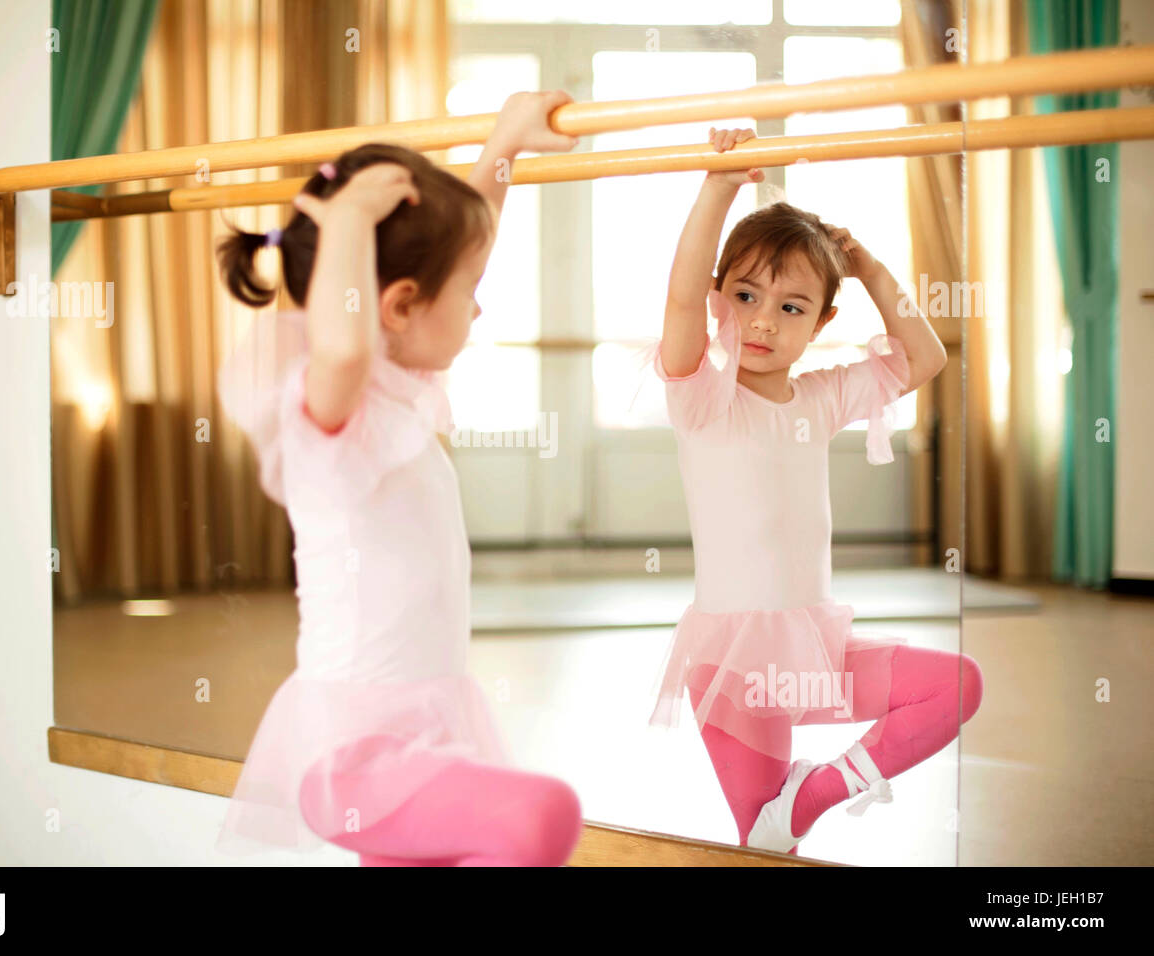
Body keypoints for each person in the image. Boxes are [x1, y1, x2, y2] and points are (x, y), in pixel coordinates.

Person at [214, 94, 584, 866]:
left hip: (425, 732)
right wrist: (349, 217)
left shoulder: (395, 386)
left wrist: (505, 141)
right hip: (356, 757)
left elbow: (464, 240)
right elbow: (345, 346)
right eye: (468, 291)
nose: (480, 304)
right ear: (400, 303)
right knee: (543, 815)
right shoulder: (330, 416)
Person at [645, 127, 983, 854]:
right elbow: (677, 300)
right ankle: (790, 812)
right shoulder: (704, 398)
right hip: (734, 669)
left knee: (959, 684)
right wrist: (718, 185)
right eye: (745, 295)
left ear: (823, 322)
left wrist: (869, 266)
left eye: (792, 307)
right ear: (718, 298)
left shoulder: (822, 398)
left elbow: (925, 356)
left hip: (812, 656)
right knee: (766, 846)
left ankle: (816, 794)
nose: (763, 320)